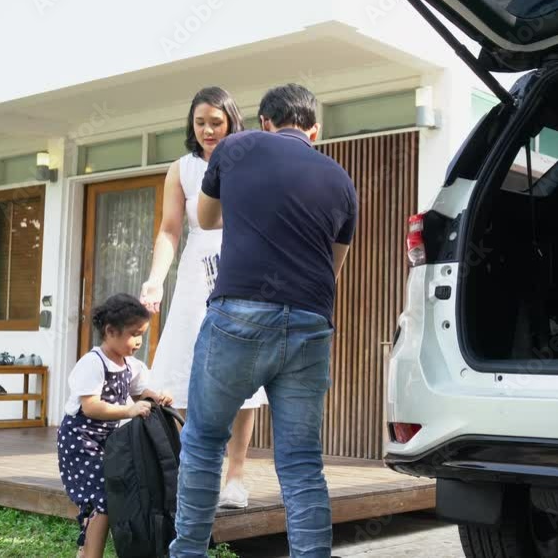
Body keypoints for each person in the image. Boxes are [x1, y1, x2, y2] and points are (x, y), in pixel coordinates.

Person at [171, 84, 357, 558]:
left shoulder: (236, 147)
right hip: (310, 323)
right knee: (300, 463)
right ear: (314, 130)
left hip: (239, 314)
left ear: (266, 121)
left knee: (203, 440)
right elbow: (332, 267)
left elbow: (207, 219)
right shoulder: (341, 179)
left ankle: (188, 552)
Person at [140, 86, 267, 509]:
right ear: (191, 126)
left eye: (216, 121)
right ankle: (197, 473)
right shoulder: (182, 169)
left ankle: (235, 477)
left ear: (232, 119)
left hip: (243, 270)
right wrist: (156, 279)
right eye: (200, 122)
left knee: (243, 376)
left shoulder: (251, 160)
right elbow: (170, 229)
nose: (208, 130)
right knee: (188, 371)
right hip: (197, 274)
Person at [57, 293, 173, 558]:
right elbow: (91, 407)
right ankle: (91, 554)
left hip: (106, 443)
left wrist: (157, 397)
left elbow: (141, 392)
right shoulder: (93, 363)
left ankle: (85, 551)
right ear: (110, 331)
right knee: (102, 498)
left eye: (142, 334)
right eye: (134, 334)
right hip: (80, 442)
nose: (139, 341)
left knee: (107, 495)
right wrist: (129, 410)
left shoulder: (130, 365)